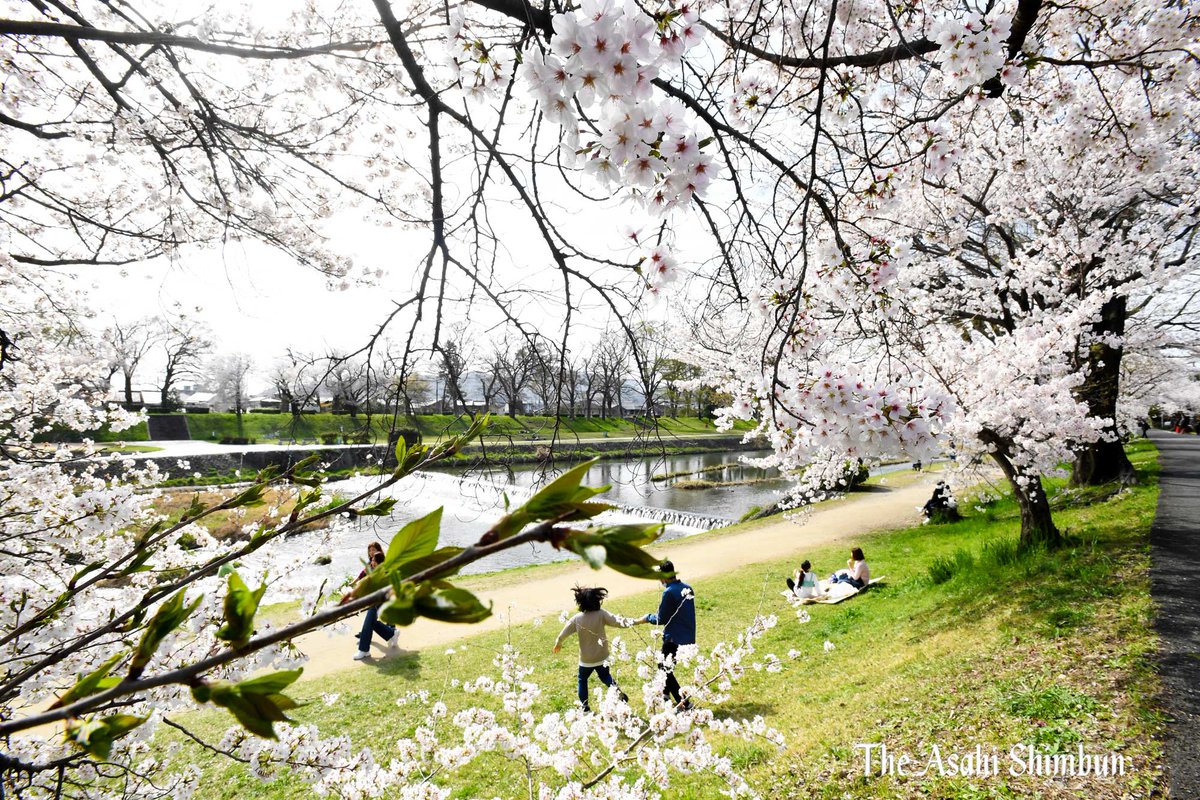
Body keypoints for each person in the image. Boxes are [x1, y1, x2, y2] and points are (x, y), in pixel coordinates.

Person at [553, 586, 639, 712]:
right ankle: (618, 694)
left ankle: (585, 707)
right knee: (605, 677)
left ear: (580, 603)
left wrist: (558, 643)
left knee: (582, 680)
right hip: (602, 657)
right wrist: (636, 621)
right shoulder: (601, 614)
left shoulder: (577, 618)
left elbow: (563, 633)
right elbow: (618, 621)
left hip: (586, 659)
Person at [640, 560, 695, 710]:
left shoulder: (669, 592)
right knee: (665, 667)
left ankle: (684, 702)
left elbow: (661, 618)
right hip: (688, 636)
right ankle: (665, 694)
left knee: (665, 670)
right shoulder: (688, 588)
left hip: (673, 638)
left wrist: (647, 618)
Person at [344, 542, 400, 661]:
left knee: (369, 622)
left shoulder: (384, 569)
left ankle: (364, 650)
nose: (372, 561)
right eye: (370, 552)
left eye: (374, 560)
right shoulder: (372, 568)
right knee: (370, 623)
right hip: (374, 601)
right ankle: (390, 634)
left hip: (381, 601)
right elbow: (363, 578)